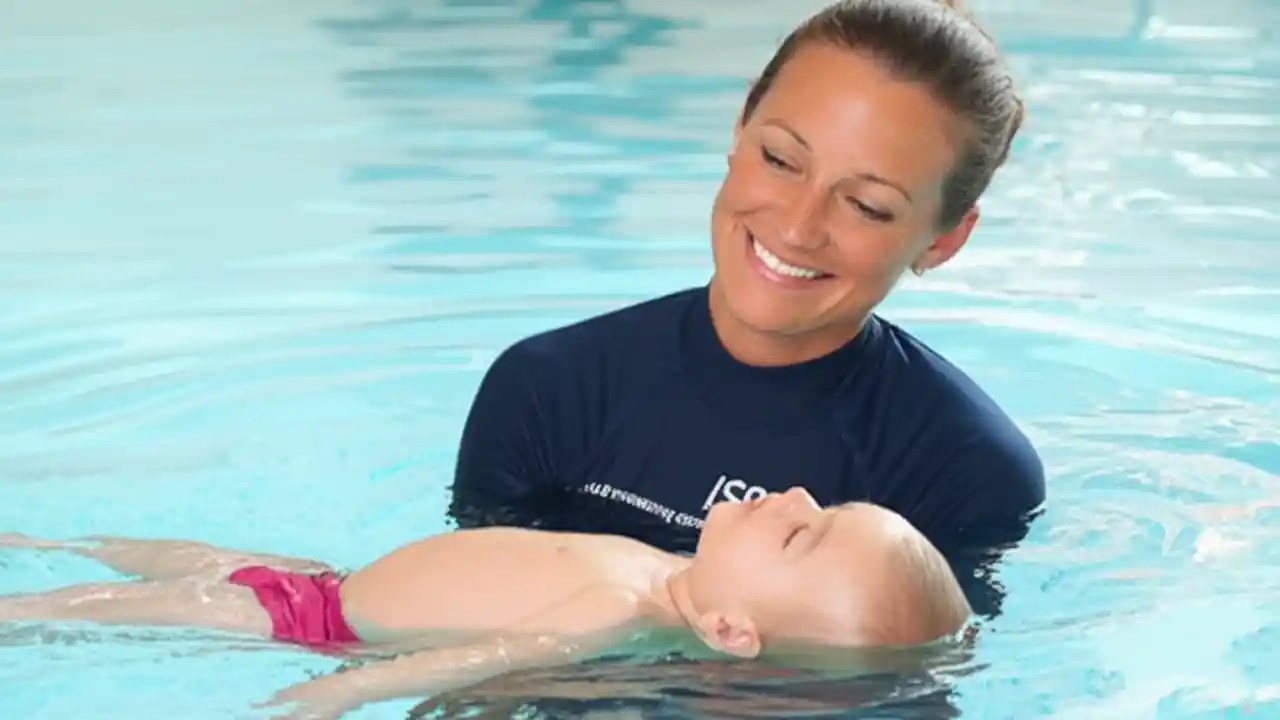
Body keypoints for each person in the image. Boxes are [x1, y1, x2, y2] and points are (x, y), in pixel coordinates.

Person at [449, 0, 1046, 617]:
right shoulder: (551, 388)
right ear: (740, 128)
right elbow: (455, 625)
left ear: (943, 240)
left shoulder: (961, 470)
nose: (797, 226)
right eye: (781, 160)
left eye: (867, 205)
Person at [0, 488, 968, 720]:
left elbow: (485, 658)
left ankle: (26, 594)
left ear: (728, 630)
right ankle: (46, 544)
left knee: (89, 608)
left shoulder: (616, 606)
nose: (792, 497)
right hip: (329, 578)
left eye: (802, 531)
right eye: (824, 502)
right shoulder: (675, 571)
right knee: (180, 560)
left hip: (307, 621)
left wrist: (326, 700)